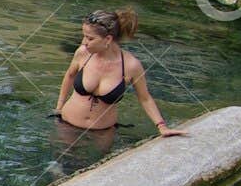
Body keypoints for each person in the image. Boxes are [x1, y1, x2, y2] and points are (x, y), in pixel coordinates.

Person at [52, 8, 187, 156]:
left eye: (90, 38)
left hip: (103, 132)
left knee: (101, 165)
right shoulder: (82, 53)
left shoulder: (131, 65)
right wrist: (59, 107)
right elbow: (70, 75)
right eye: (84, 36)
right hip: (68, 125)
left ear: (108, 39)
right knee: (62, 164)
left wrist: (162, 127)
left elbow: (145, 98)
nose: (84, 42)